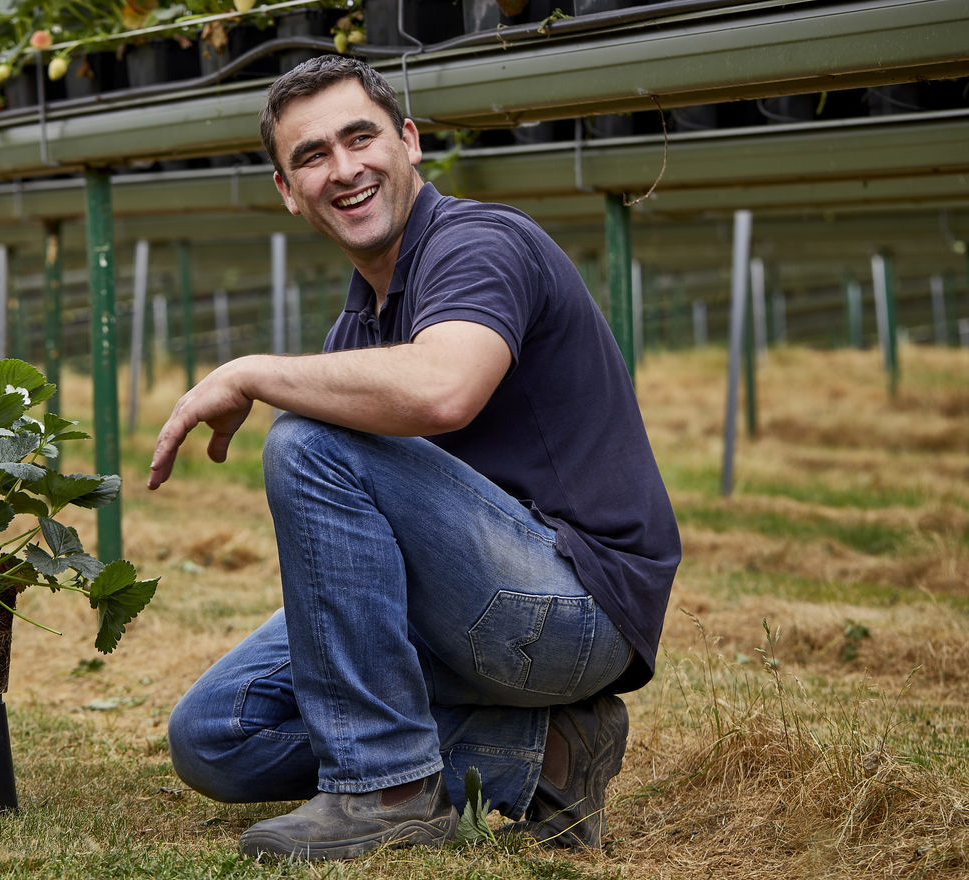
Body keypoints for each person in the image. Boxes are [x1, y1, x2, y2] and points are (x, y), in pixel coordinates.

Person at [147, 55, 680, 861]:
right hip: (465, 611)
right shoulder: (357, 324)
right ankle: (544, 757)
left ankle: (387, 791)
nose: (345, 168)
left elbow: (444, 390)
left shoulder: (481, 243)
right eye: (312, 156)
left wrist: (250, 371)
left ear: (409, 141)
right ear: (288, 193)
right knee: (214, 736)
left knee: (308, 436)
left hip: (574, 606)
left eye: (361, 138)